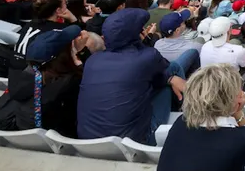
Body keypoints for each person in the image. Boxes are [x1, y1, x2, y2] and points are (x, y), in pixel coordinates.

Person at [77, 8, 189, 144]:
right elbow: (158, 74)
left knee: (170, 73)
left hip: (88, 143)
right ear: (137, 34)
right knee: (167, 85)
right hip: (134, 143)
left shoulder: (92, 61)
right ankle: (188, 111)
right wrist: (170, 79)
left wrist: (169, 78)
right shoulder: (148, 56)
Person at [0, 25, 84, 137]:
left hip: (9, 126)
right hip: (42, 136)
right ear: (65, 54)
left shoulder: (27, 74)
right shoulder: (68, 82)